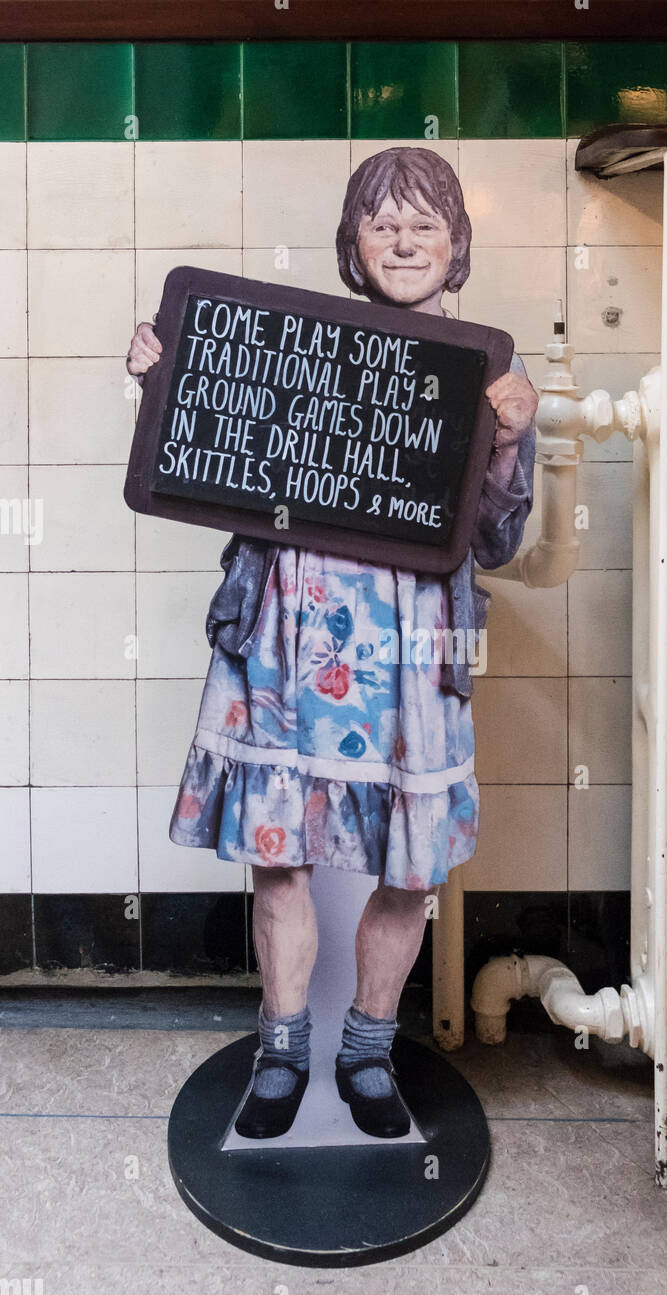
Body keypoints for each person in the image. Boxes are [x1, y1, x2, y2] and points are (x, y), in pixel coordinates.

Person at [125, 147, 538, 1141]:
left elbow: (496, 541)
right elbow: (205, 459)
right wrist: (165, 377)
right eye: (382, 223)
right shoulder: (290, 349)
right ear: (353, 246)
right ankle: (279, 1048)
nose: (403, 240)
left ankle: (365, 1047)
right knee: (280, 853)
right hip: (283, 637)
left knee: (410, 866)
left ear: (457, 245)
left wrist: (514, 441)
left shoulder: (491, 377)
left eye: (424, 224)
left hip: (412, 653)